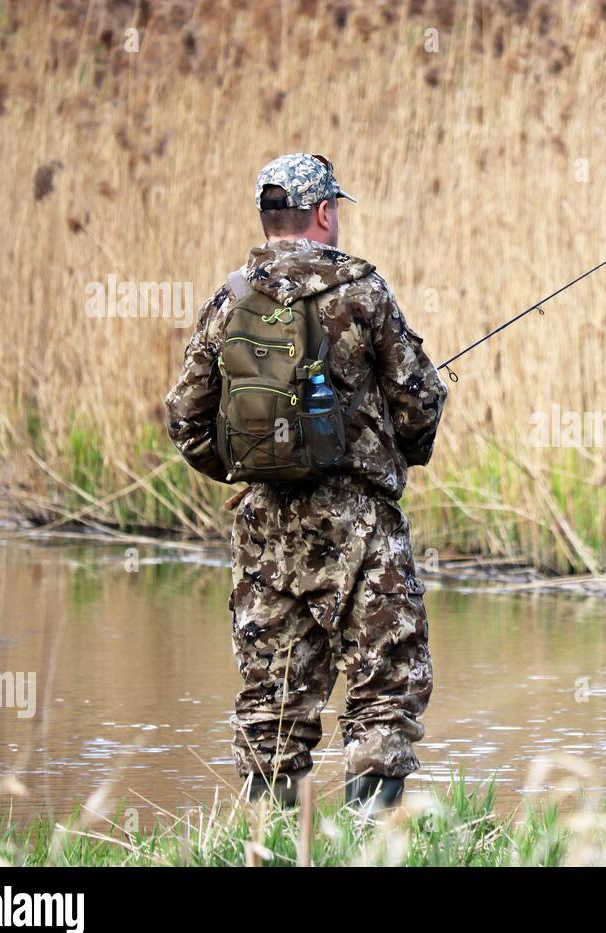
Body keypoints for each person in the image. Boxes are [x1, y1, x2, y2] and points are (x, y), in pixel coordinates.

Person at [164, 153, 446, 812]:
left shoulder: (229, 298)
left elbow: (185, 417)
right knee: (385, 682)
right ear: (324, 213)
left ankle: (264, 842)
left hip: (265, 526)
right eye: (335, 209)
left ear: (268, 217)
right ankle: (369, 845)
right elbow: (420, 400)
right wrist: (398, 457)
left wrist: (249, 468)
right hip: (359, 523)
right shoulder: (364, 291)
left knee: (273, 695)